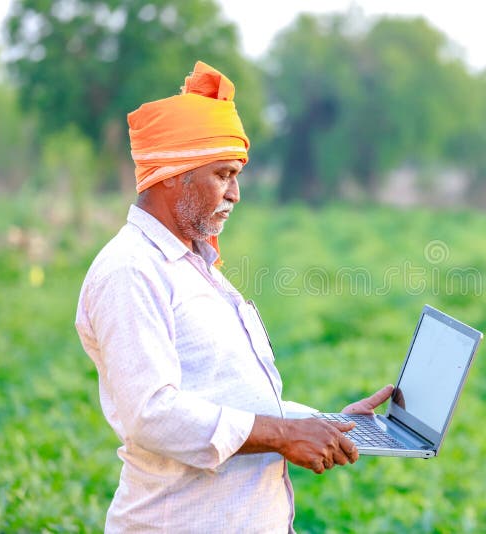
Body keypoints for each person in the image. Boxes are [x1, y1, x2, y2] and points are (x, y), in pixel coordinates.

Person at [75, 61, 393, 533]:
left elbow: (223, 393)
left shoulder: (194, 263)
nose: (236, 193)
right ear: (170, 175)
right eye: (223, 174)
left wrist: (324, 423)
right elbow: (152, 414)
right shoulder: (131, 270)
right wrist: (285, 435)